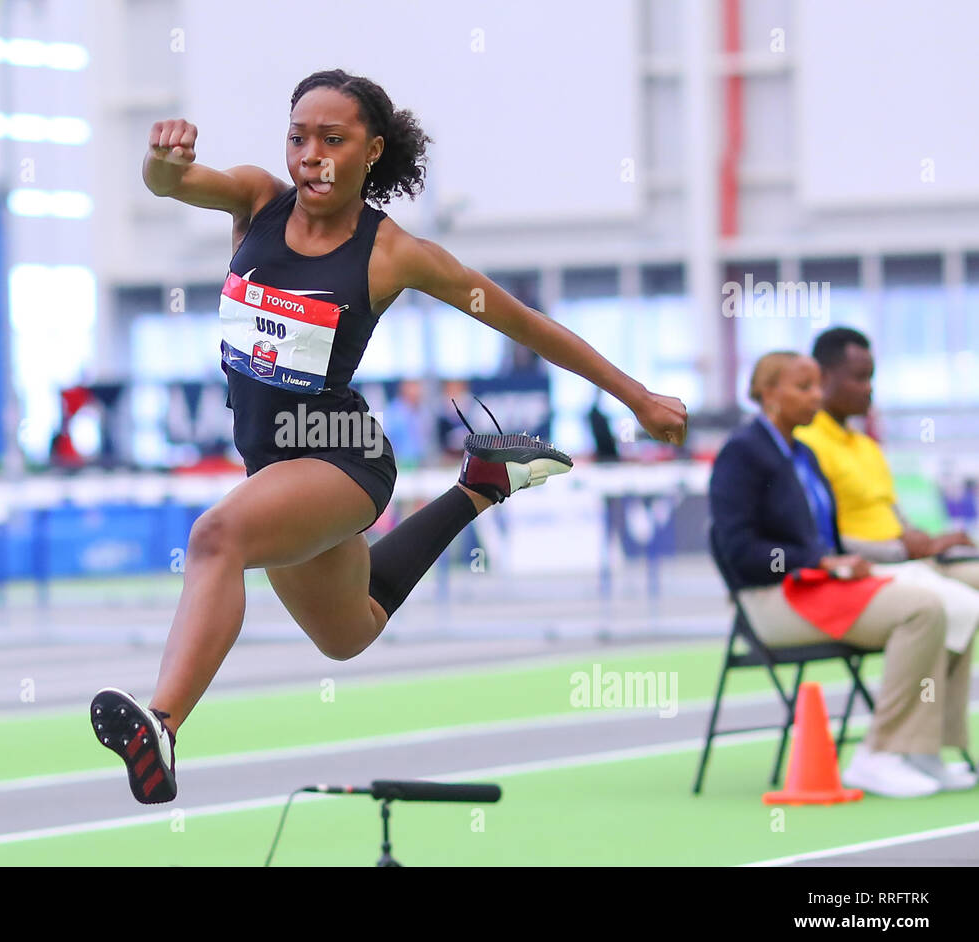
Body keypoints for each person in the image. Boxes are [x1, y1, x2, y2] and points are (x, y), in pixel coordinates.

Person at [91, 69, 688, 805]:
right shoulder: (254, 199)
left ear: (370, 152)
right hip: (271, 466)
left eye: (333, 140)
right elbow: (169, 185)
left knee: (217, 537)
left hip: (340, 454)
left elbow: (523, 323)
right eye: (298, 136)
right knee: (349, 633)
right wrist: (164, 159)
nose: (311, 154)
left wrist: (636, 397)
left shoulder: (393, 253)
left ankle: (163, 724)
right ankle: (481, 486)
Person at [709, 351, 972, 798]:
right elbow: (739, 551)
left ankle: (923, 751)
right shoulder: (742, 453)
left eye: (816, 386)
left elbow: (825, 538)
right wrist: (813, 562)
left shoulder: (804, 454)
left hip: (822, 585)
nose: (816, 396)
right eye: (803, 387)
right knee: (923, 609)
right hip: (772, 598)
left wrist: (841, 561)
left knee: (955, 605)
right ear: (768, 393)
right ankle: (879, 754)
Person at [794, 327, 979, 657]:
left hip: (908, 559)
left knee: (964, 589)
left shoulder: (867, 447)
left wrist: (931, 541)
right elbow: (827, 540)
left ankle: (943, 710)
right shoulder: (806, 447)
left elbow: (896, 517)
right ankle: (921, 708)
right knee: (946, 607)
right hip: (872, 567)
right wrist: (902, 549)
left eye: (872, 378)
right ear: (822, 376)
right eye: (860, 378)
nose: (869, 390)